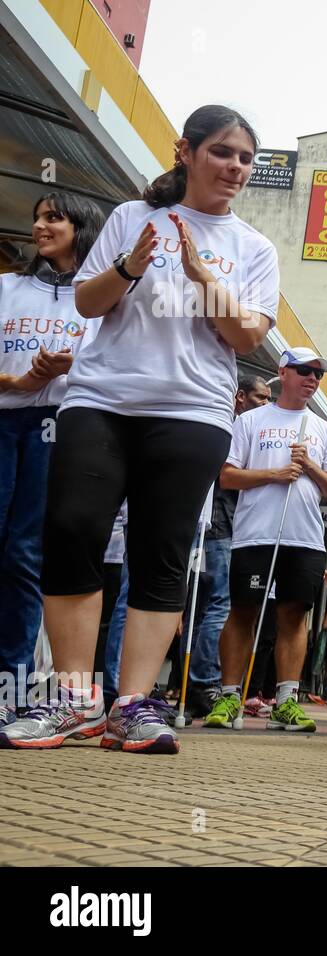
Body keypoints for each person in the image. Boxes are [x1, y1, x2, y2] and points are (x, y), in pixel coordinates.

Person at [2, 105, 278, 755]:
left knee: (160, 550)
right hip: (101, 398)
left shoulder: (253, 249)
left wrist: (202, 274)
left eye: (245, 157)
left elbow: (245, 335)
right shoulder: (132, 218)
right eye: (223, 152)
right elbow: (87, 302)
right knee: (71, 529)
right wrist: (130, 265)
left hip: (193, 411)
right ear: (186, 152)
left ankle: (133, 705)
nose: (235, 167)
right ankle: (75, 700)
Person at [0, 192, 105, 727]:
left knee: (23, 555)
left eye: (53, 217)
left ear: (81, 227)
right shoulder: (7, 288)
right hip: (2, 421)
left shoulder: (100, 298)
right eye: (37, 216)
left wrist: (61, 375)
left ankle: (12, 687)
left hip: (57, 432)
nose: (39, 226)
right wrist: (20, 380)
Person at [204, 348, 327, 732]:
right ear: (282, 372)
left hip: (305, 539)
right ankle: (230, 695)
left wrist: (310, 466)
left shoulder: (323, 428)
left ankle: (285, 700)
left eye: (319, 373)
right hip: (255, 534)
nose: (313, 379)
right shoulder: (250, 421)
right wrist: (274, 474)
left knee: (293, 616)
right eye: (304, 371)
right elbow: (228, 477)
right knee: (243, 611)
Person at [183, 374, 271, 719]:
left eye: (267, 399)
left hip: (215, 520)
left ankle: (194, 685)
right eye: (260, 397)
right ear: (240, 396)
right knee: (219, 604)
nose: (265, 403)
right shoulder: (235, 427)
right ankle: (204, 682)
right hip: (216, 523)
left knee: (203, 606)